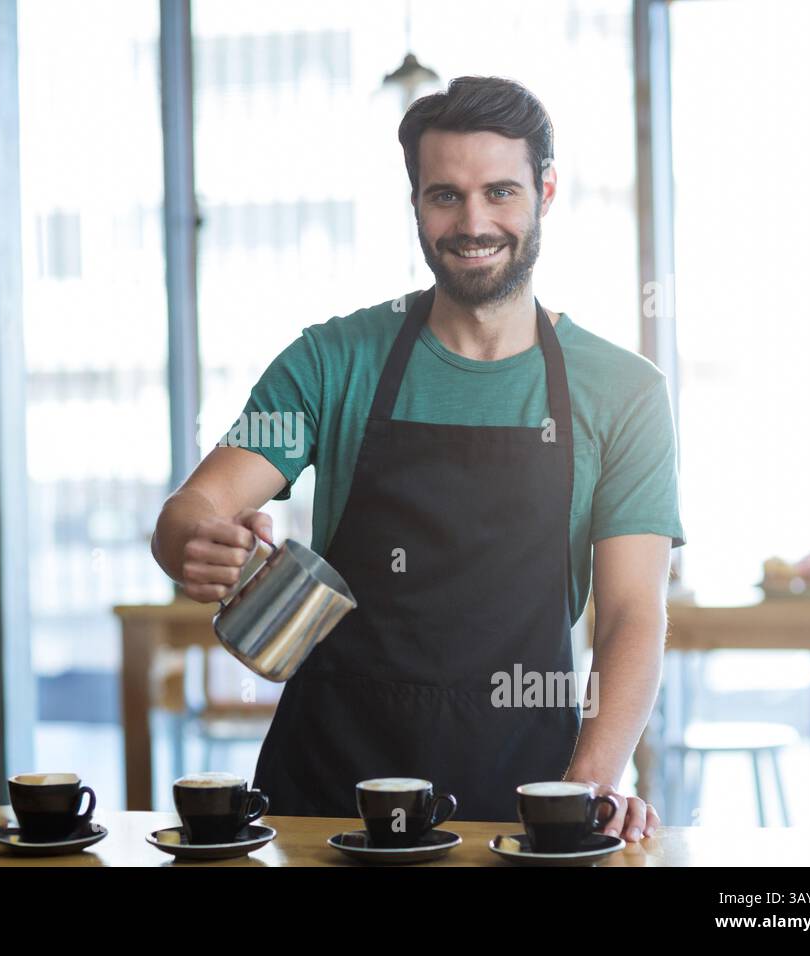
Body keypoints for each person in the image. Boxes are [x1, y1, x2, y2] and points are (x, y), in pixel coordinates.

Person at [151, 75, 684, 843]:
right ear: (416, 205)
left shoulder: (623, 392)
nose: (474, 222)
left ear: (546, 190)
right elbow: (194, 510)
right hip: (328, 787)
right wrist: (189, 544)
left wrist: (591, 780)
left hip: (523, 783)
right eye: (445, 196)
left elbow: (634, 612)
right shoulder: (332, 360)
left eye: (500, 192)